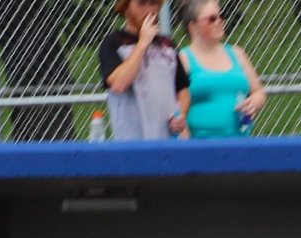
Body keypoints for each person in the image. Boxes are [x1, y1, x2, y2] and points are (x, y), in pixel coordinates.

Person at [175, 0, 265, 140]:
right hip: (202, 145)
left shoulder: (236, 53)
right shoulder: (184, 59)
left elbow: (258, 91)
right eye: (212, 19)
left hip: (240, 142)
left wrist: (253, 103)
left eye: (221, 16)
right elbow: (176, 109)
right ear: (193, 26)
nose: (219, 21)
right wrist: (186, 146)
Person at [97, 0, 183, 141]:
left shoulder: (167, 45)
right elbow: (119, 84)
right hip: (132, 143)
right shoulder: (113, 43)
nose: (149, 9)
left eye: (154, 3)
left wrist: (180, 115)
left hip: (167, 141)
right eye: (142, 3)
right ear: (126, 8)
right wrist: (143, 43)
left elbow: (182, 88)